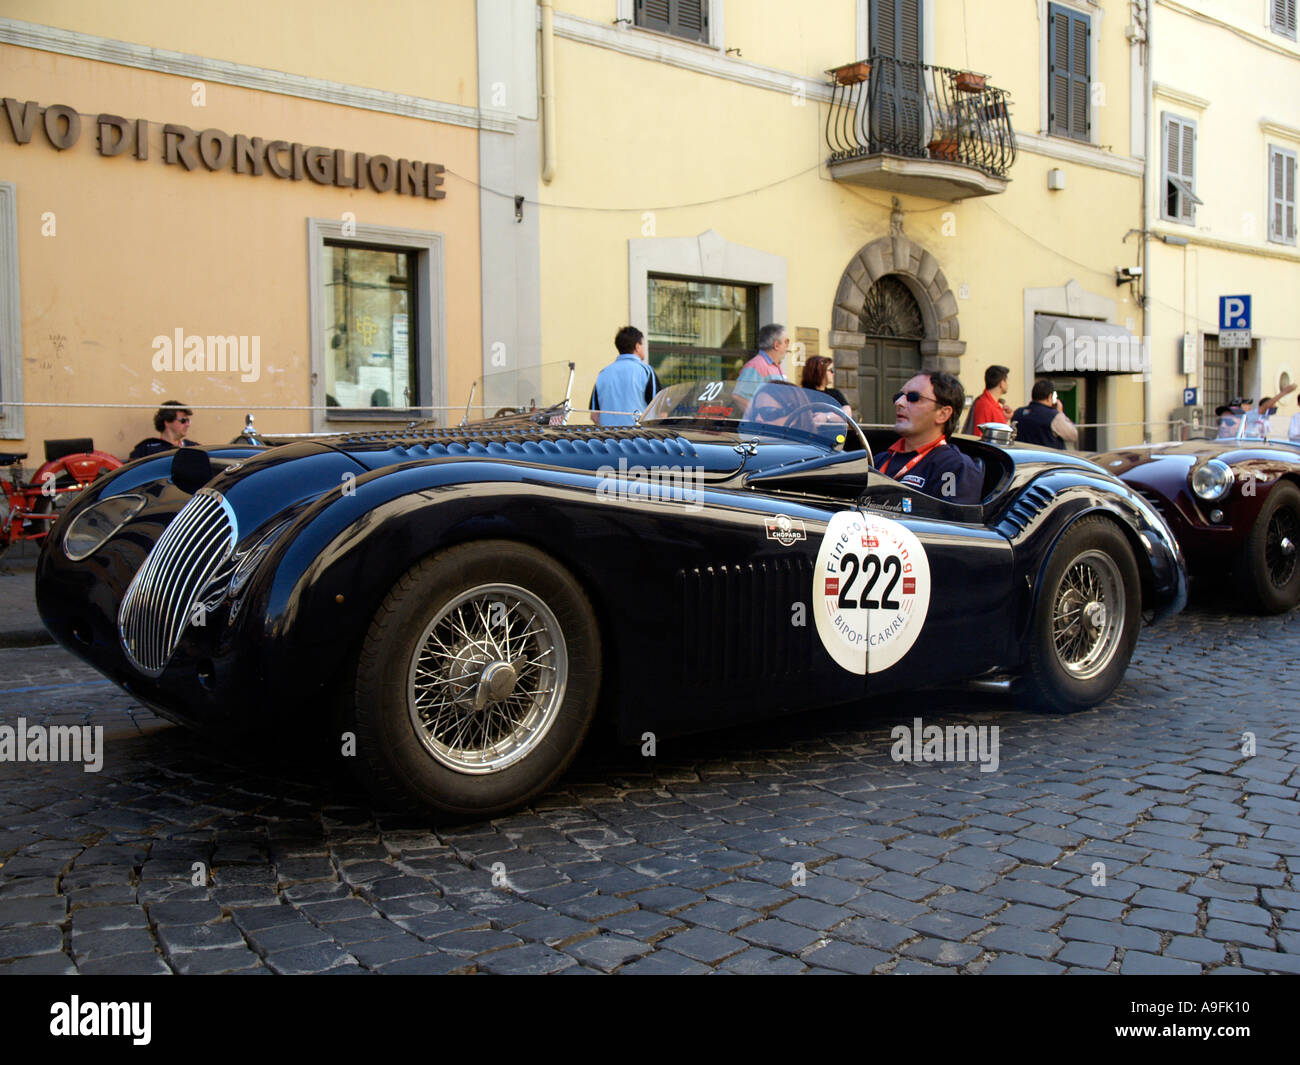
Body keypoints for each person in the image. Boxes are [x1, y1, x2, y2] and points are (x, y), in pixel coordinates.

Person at [874, 371, 982, 504]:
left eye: (913, 397)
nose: (898, 402)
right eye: (899, 396)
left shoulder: (955, 468)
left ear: (943, 414)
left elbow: (950, 522)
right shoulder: (878, 460)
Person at [590, 326, 660, 427]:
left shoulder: (603, 373)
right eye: (643, 344)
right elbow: (659, 411)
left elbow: (594, 415)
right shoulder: (646, 371)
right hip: (638, 438)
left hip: (608, 439)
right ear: (637, 346)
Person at [1011, 379, 1079, 449]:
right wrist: (1061, 412)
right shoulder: (1054, 416)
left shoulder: (1018, 413)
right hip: (1048, 458)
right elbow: (1073, 435)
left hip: (1024, 457)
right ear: (1050, 397)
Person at [735, 323, 790, 402]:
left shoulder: (776, 366)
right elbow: (739, 397)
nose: (788, 345)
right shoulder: (755, 366)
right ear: (777, 345)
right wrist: (757, 414)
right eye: (786, 341)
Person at [128, 401, 198, 460]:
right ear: (167, 422)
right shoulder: (146, 449)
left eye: (188, 420)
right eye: (183, 420)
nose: (187, 424)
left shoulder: (193, 447)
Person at [963, 364, 1011, 434]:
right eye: (1006, 381)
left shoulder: (992, 404)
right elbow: (979, 435)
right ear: (1001, 383)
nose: (1007, 384)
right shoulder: (985, 405)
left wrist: (1005, 418)